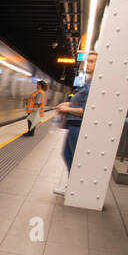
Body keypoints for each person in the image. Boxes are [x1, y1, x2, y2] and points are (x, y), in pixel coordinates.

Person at [54, 52, 96, 185]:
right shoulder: (87, 83)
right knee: (67, 155)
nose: (87, 63)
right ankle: (71, 186)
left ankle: (73, 188)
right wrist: (68, 104)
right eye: (87, 61)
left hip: (78, 126)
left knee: (74, 158)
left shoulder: (93, 86)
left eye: (91, 61)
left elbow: (87, 110)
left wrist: (66, 109)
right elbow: (80, 103)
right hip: (73, 125)